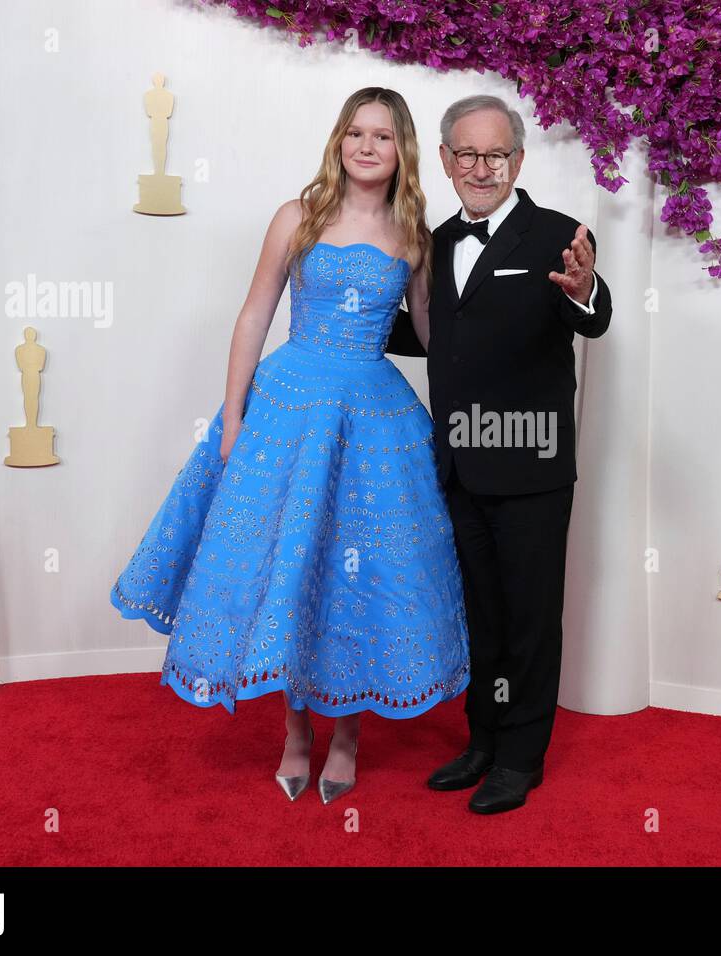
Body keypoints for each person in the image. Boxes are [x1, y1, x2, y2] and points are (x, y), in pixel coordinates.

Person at [110, 87, 469, 806]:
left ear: (403, 150)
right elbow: (254, 314)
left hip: (372, 416)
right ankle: (296, 731)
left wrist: (497, 362)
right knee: (288, 566)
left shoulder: (413, 231)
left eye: (384, 136)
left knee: (354, 580)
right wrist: (235, 417)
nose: (367, 147)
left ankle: (347, 739)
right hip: (287, 407)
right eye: (356, 133)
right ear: (339, 141)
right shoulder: (296, 216)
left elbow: (433, 332)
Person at [387, 95, 613, 814]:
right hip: (457, 465)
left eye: (496, 154)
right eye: (467, 154)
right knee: (480, 614)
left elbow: (594, 312)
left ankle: (520, 757)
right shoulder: (434, 242)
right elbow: (430, 335)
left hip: (531, 468)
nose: (481, 167)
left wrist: (585, 290)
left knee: (527, 617)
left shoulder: (557, 237)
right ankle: (482, 740)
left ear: (517, 161)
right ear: (447, 162)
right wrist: (341, 319)